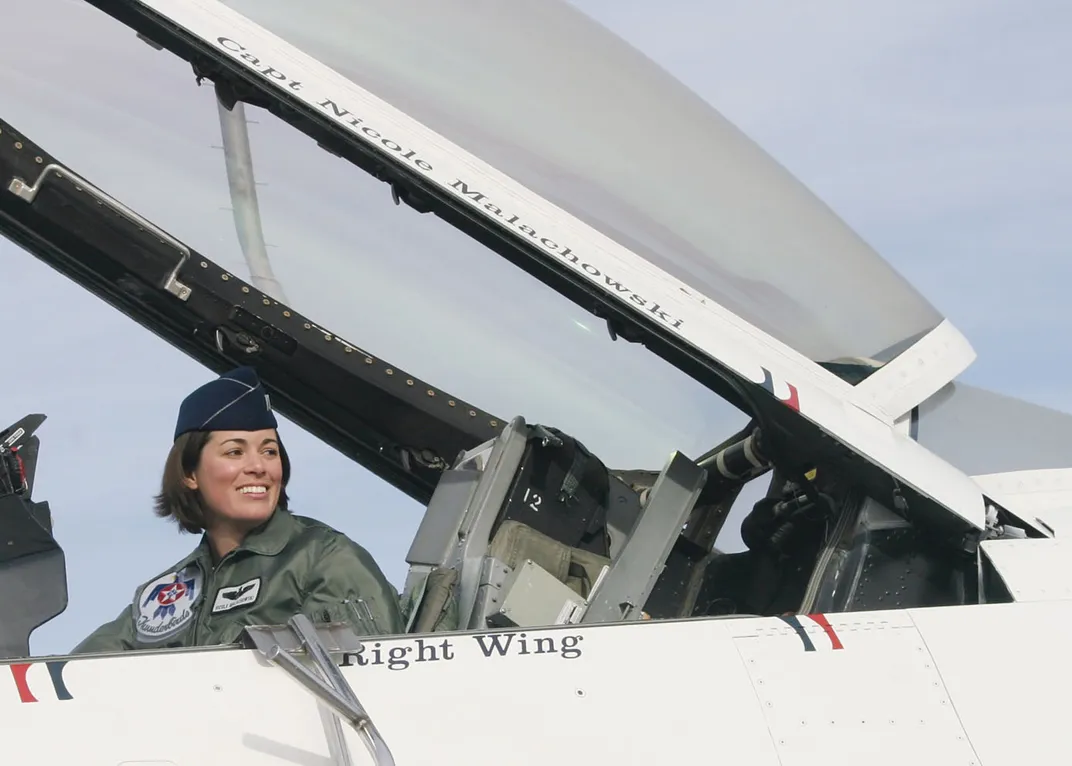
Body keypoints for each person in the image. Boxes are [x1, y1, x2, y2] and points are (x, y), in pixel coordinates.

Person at [72, 366, 404, 654]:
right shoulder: (166, 594)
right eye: (235, 452)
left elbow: (373, 677)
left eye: (269, 451)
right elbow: (73, 676)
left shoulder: (324, 560)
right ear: (189, 473)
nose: (258, 467)